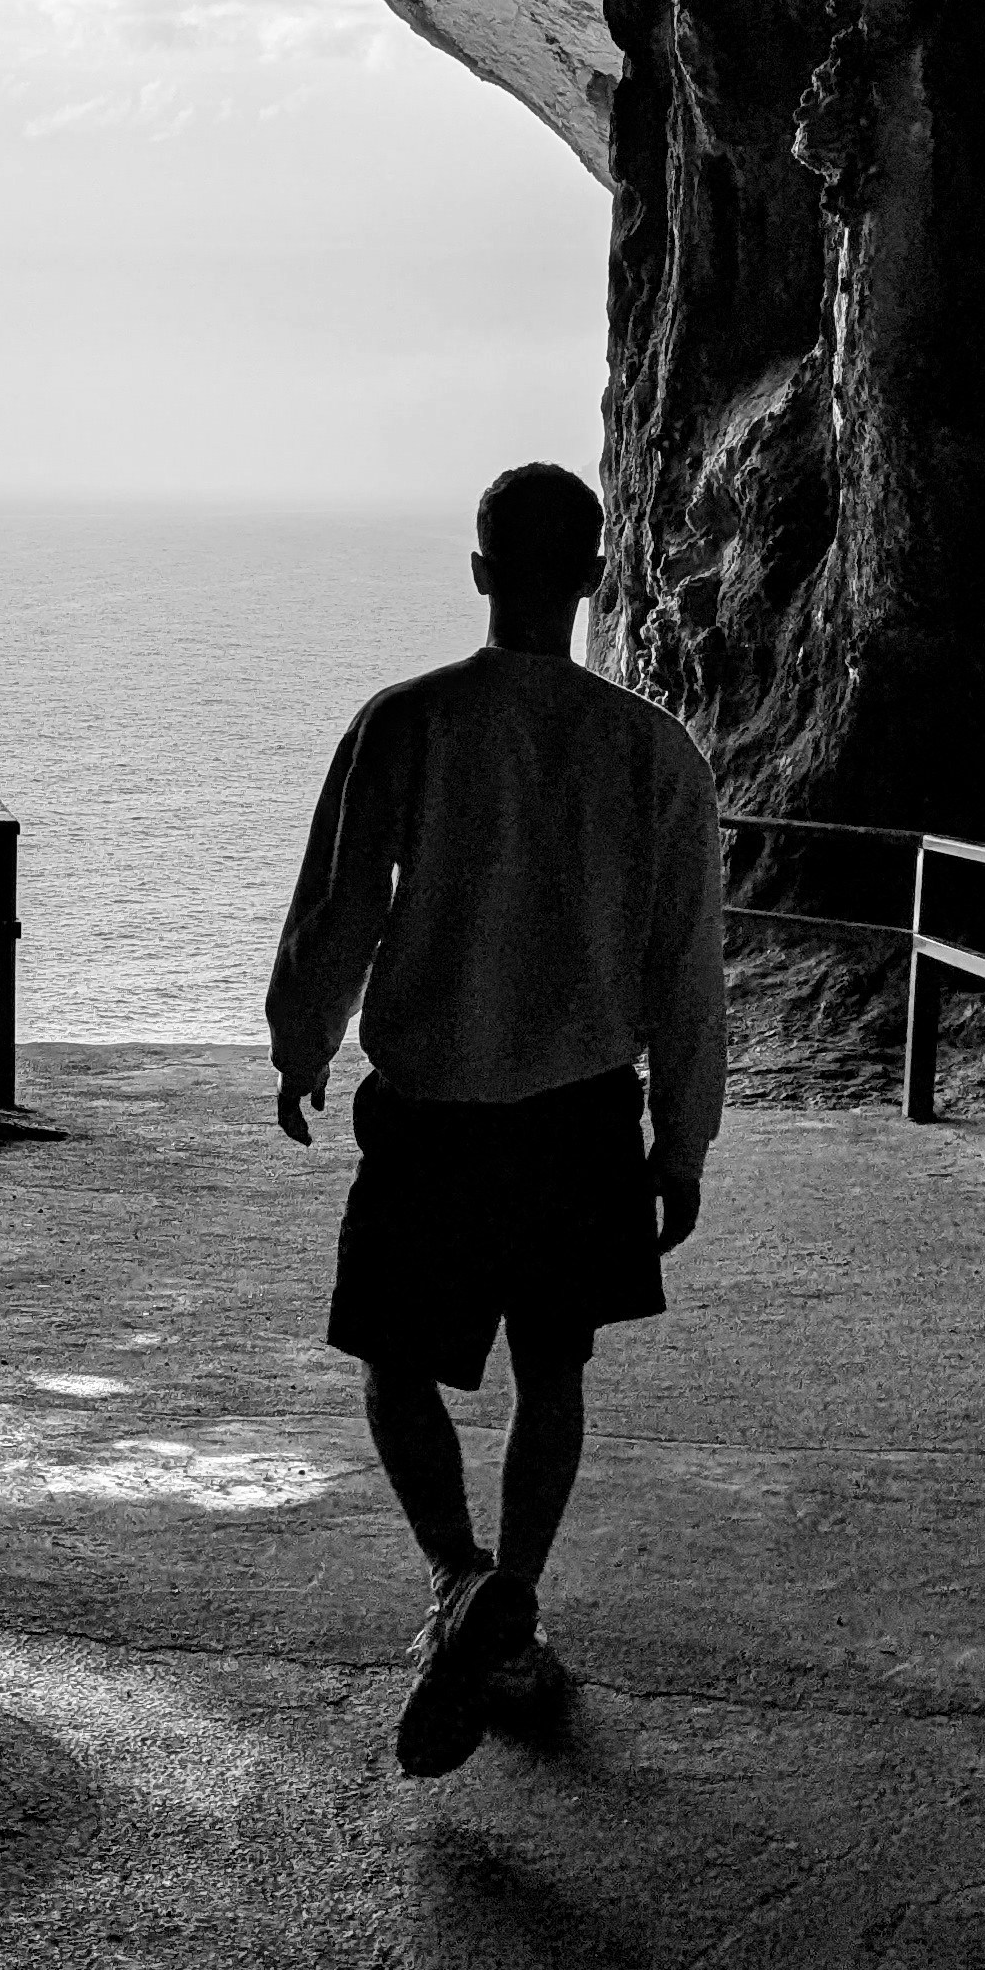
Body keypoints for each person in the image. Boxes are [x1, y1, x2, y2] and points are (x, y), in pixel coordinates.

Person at [265, 462, 723, 1778]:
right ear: (596, 573)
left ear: (480, 573)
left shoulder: (407, 723)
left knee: (393, 1366)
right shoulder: (653, 751)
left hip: (433, 1117)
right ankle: (511, 1605)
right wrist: (680, 1137)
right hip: (580, 1120)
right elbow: (687, 965)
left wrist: (302, 1048)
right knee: (553, 1371)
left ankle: (459, 1578)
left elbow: (339, 910)